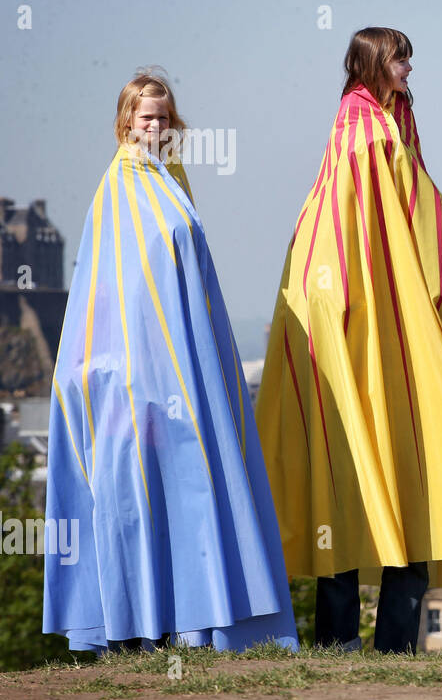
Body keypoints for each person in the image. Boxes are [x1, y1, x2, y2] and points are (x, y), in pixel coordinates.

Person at [255, 27, 442, 654]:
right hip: (368, 321)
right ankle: (340, 642)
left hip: (402, 323)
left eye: (408, 56)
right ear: (374, 62)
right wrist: (348, 298)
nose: (408, 67)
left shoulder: (399, 120)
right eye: (399, 57)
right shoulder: (359, 124)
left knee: (409, 477)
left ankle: (395, 647)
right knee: (352, 477)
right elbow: (345, 218)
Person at [43, 69, 299, 654]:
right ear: (125, 121)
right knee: (137, 491)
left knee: (194, 485)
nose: (154, 125)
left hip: (184, 360)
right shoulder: (119, 186)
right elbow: (113, 284)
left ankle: (197, 626)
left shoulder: (172, 176)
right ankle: (138, 630)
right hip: (136, 370)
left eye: (162, 116)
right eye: (144, 116)